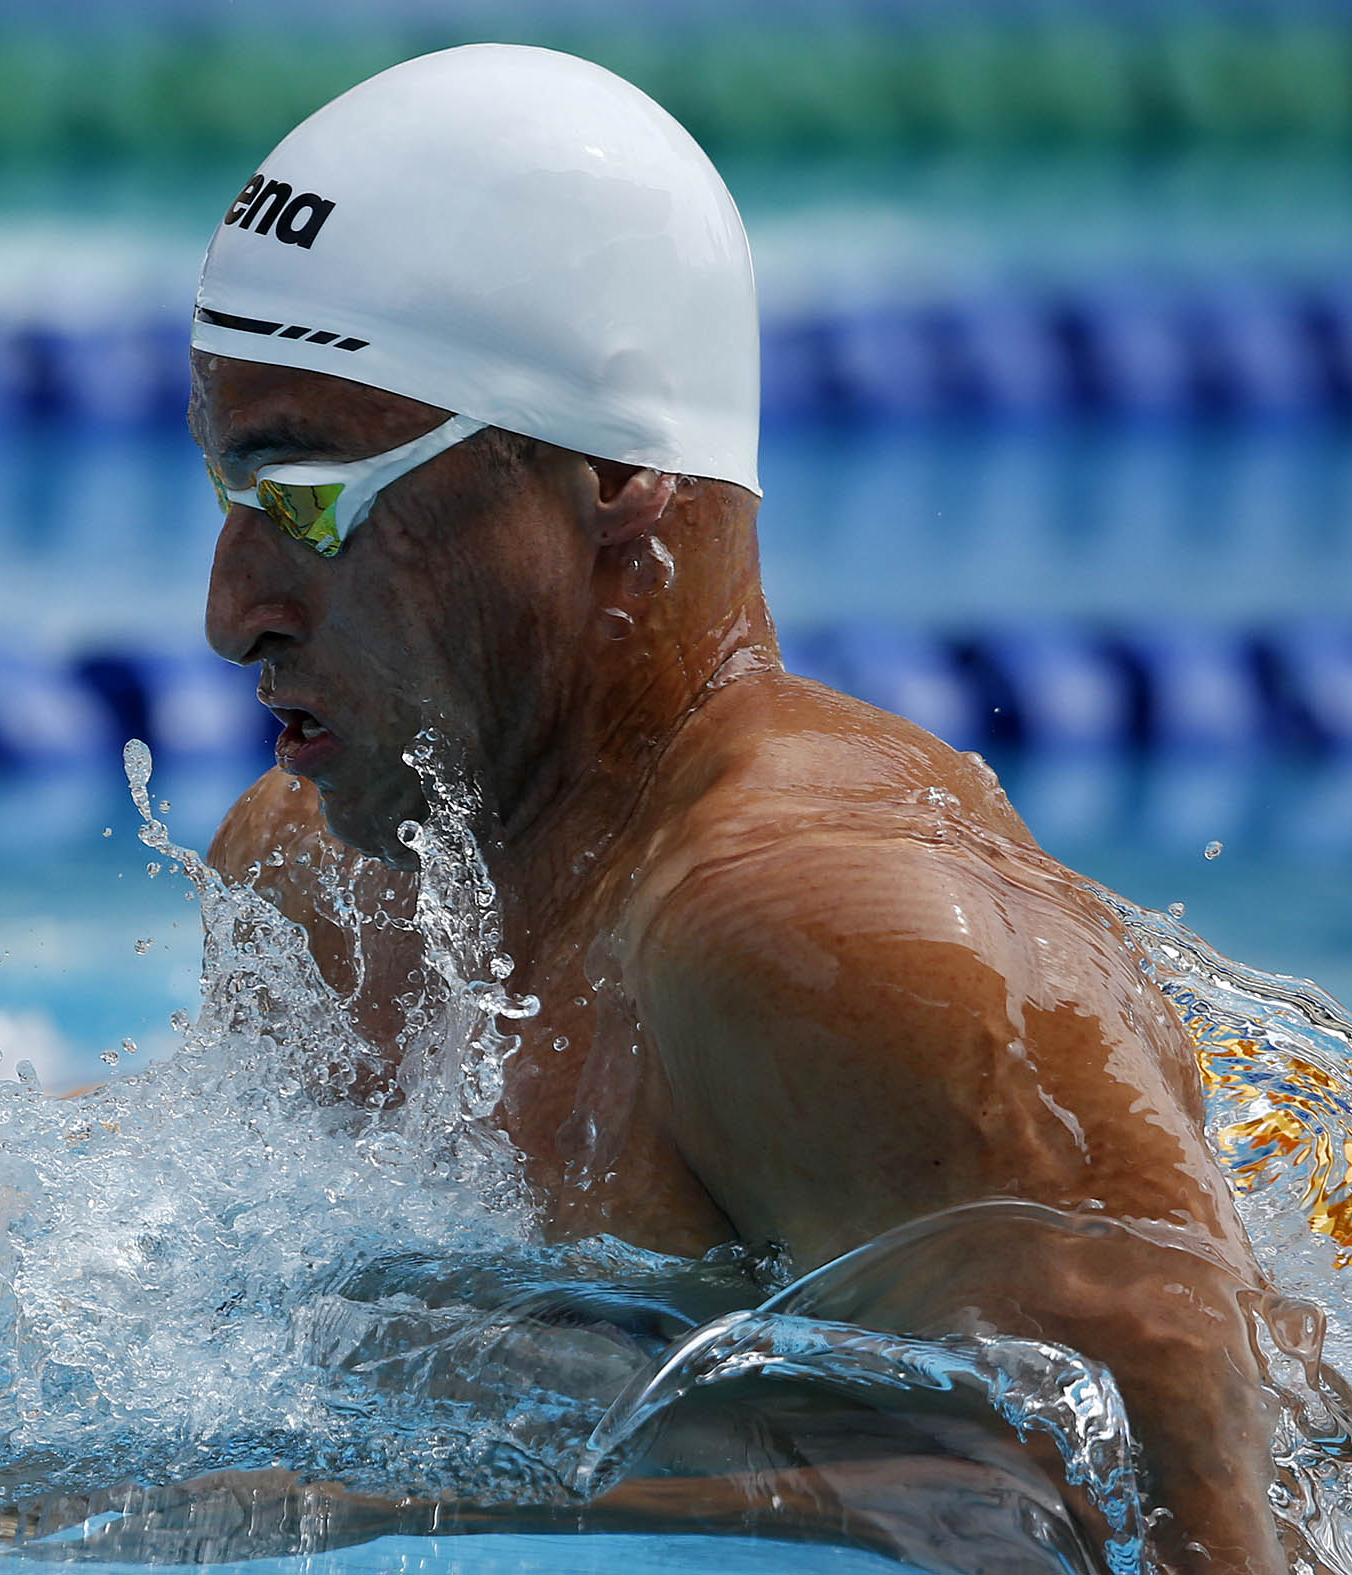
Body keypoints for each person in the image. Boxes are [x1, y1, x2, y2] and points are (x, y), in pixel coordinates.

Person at [189, 45, 1284, 1575]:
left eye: (310, 494)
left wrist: (362, 1516)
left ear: (617, 470)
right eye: (227, 492)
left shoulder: (818, 938)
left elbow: (1174, 1534)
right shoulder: (311, 878)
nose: (234, 611)